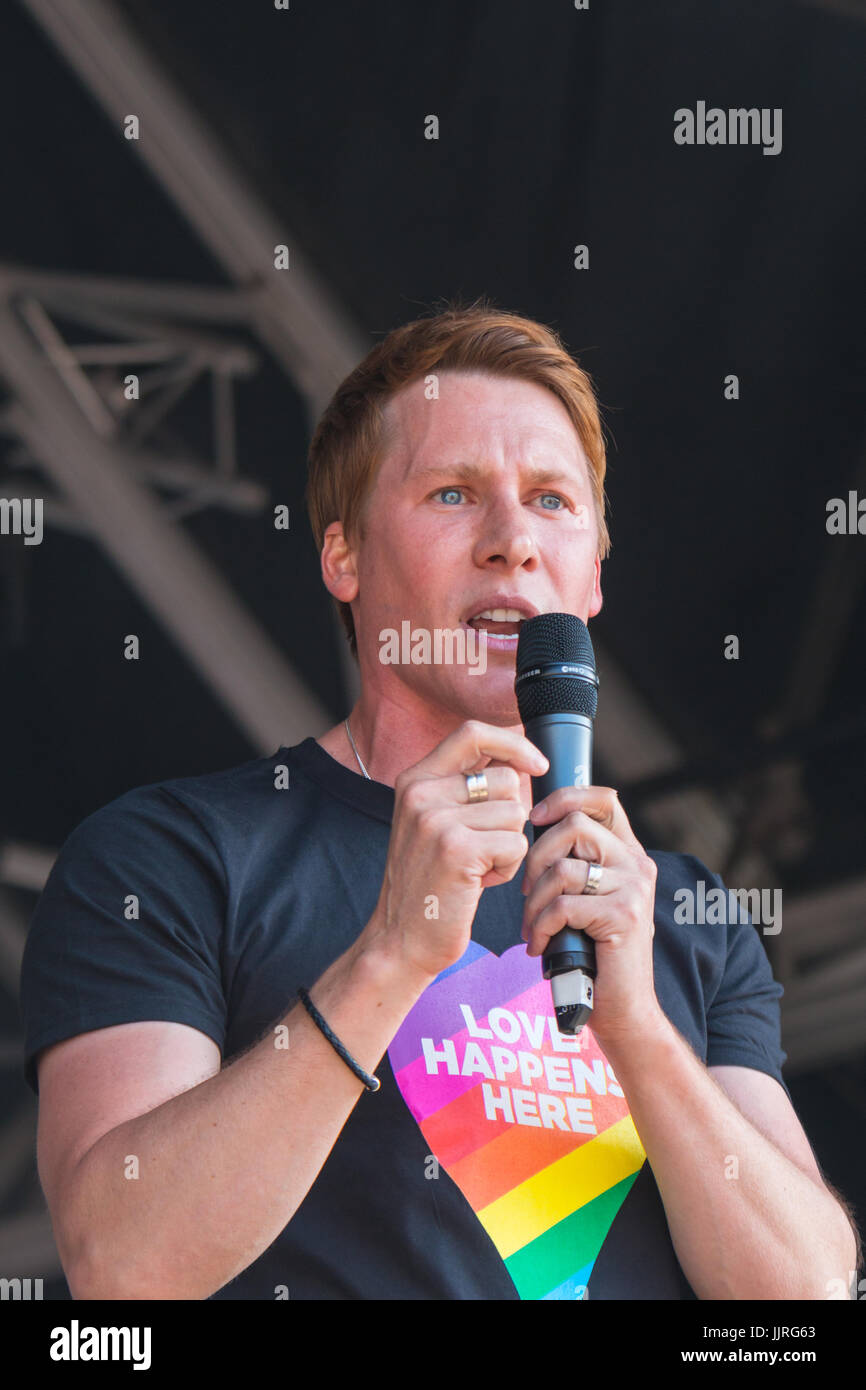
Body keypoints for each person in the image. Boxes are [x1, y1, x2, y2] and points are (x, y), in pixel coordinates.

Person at [20, 302, 860, 1300]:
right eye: (454, 493)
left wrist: (634, 1024)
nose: (511, 540)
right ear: (343, 556)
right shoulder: (168, 855)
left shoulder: (679, 912)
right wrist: (390, 955)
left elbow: (805, 1296)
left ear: (591, 573)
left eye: (552, 501)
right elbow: (122, 1262)